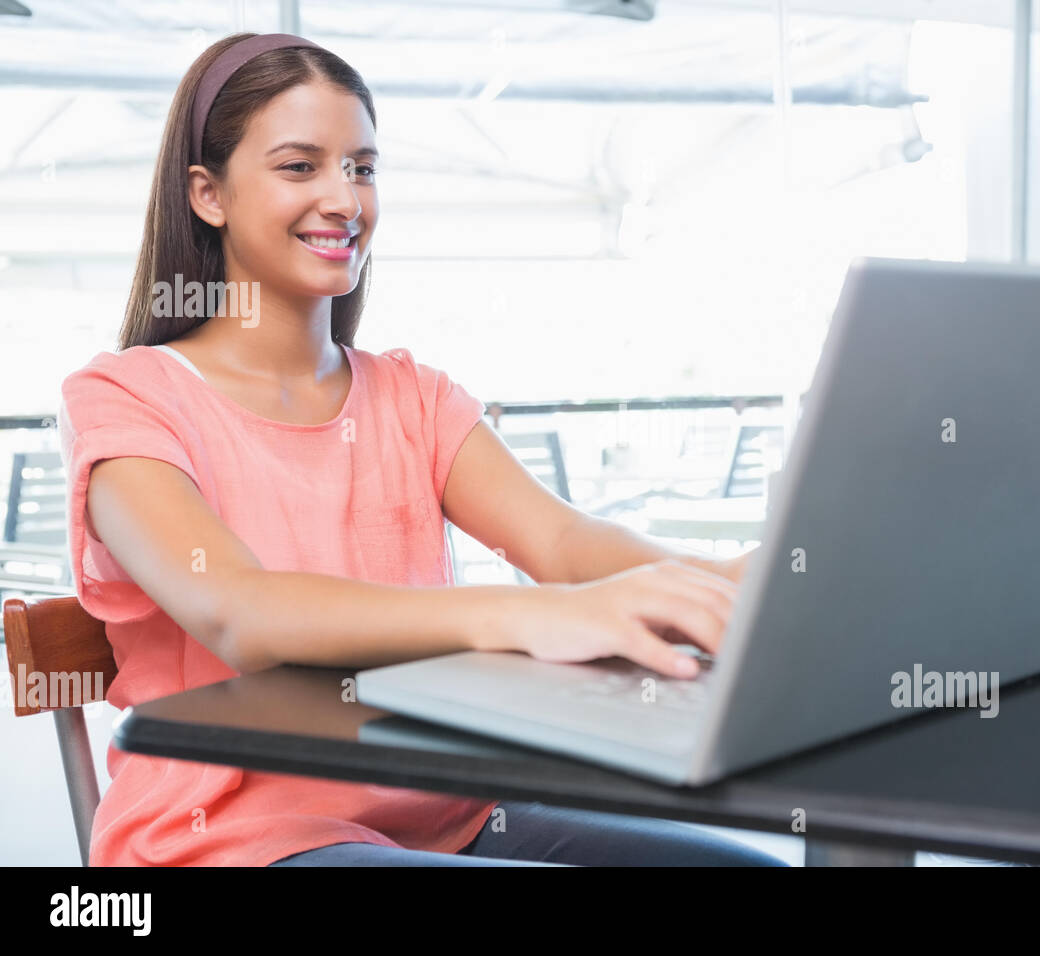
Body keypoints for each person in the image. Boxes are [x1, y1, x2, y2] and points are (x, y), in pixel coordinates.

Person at [59, 31, 783, 867]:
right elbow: (241, 610)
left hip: (453, 820)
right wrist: (523, 619)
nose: (344, 199)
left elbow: (562, 542)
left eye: (362, 168)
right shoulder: (126, 397)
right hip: (234, 844)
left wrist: (720, 583)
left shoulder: (413, 395)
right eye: (301, 167)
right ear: (208, 194)